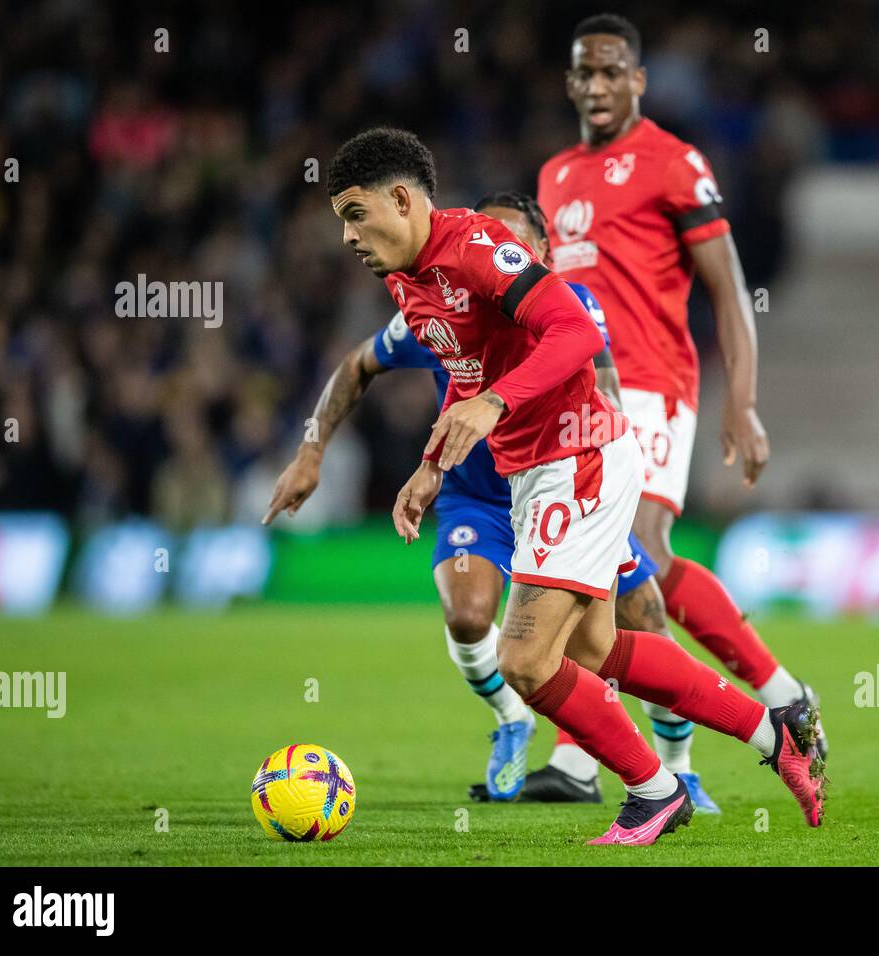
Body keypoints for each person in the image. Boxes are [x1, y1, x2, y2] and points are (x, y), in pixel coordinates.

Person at [321, 125, 823, 844]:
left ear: (401, 199)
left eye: (353, 213)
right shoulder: (407, 278)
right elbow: (466, 373)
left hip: (578, 458)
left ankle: (654, 791)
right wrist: (432, 465)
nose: (346, 235)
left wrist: (496, 403)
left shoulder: (475, 248)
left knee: (525, 658)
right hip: (535, 471)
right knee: (597, 653)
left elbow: (576, 331)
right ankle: (777, 736)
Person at [264, 190, 720, 812]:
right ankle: (514, 720)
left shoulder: (572, 307)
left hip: (569, 488)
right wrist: (311, 451)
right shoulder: (437, 300)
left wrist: (613, 478)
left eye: (514, 242)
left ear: (539, 253)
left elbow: (606, 387)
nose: (500, 251)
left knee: (640, 619)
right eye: (490, 237)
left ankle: (678, 769)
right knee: (470, 617)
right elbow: (356, 366)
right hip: (480, 501)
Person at [538, 14, 826, 754]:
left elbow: (730, 289)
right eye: (585, 73)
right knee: (610, 569)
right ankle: (591, 757)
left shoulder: (673, 162)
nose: (597, 87)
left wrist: (745, 401)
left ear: (638, 79)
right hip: (580, 398)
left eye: (612, 73)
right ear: (570, 83)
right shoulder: (555, 175)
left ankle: (691, 755)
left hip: (652, 386)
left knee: (638, 552)